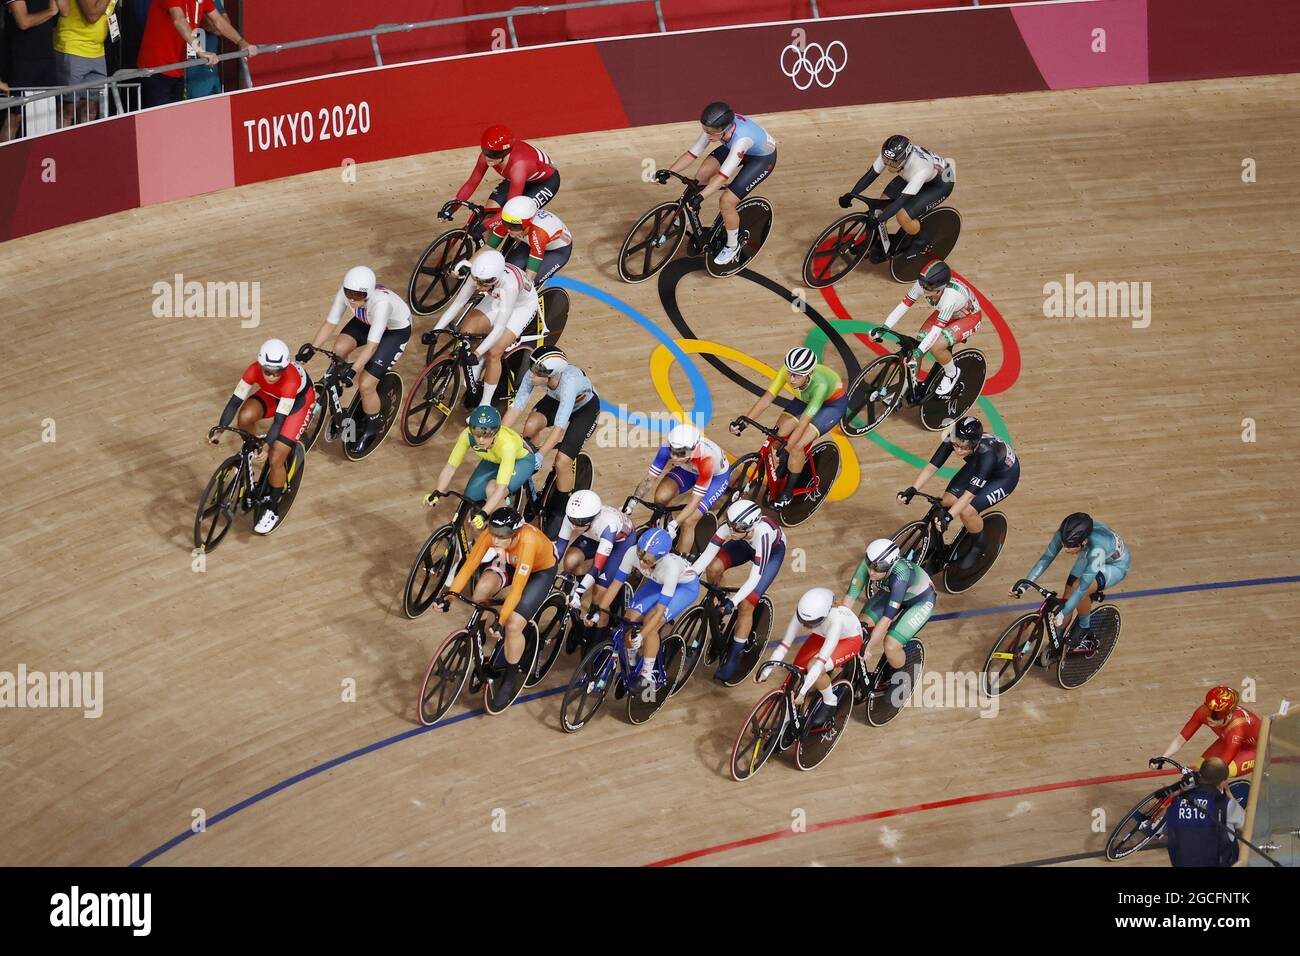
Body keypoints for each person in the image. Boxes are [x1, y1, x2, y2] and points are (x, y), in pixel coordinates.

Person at [437, 506, 557, 711]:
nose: (496, 540)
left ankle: (510, 677)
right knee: (481, 589)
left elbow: (517, 589)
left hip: (539, 571)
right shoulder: (491, 534)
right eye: (494, 534)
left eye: (502, 536)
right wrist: (449, 597)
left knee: (513, 625)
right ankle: (476, 635)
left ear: (516, 534)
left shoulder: (527, 541)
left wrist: (500, 621)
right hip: (510, 562)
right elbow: (470, 564)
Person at [298, 266, 411, 456]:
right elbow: (330, 323)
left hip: (394, 332)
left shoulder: (381, 304)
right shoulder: (347, 295)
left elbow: (372, 346)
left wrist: (355, 369)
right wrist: (313, 347)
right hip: (367, 321)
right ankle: (336, 383)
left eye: (357, 295)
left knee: (366, 383)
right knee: (340, 348)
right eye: (348, 293)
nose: (351, 299)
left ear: (367, 294)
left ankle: (375, 424)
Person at [207, 338, 314, 534]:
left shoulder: (290, 380)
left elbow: (280, 421)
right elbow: (234, 402)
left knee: (275, 457)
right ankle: (253, 448)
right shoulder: (252, 369)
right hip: (273, 396)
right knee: (245, 416)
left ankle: (272, 508)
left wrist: (267, 445)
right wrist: (220, 429)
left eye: (277, 372)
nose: (272, 376)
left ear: (285, 367)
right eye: (267, 371)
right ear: (260, 364)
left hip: (297, 403)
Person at [653, 101, 777, 266]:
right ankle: (690, 217)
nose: (708, 135)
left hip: (761, 159)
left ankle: (732, 245)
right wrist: (668, 172)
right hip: (731, 146)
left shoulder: (741, 139)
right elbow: (692, 153)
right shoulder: (715, 128)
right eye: (706, 130)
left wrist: (700, 197)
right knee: (701, 175)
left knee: (726, 201)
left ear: (726, 129)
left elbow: (722, 176)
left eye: (711, 133)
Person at [732, 346, 845, 510]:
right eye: (790, 372)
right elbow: (766, 399)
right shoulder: (788, 372)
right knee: (777, 434)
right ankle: (783, 467)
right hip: (805, 398)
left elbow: (805, 421)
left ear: (809, 374)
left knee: (796, 446)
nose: (791, 379)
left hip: (830, 406)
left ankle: (788, 492)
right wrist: (745, 422)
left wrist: (789, 448)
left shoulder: (820, 385)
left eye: (797, 375)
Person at [899, 415, 1018, 567]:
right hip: (977, 463)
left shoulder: (987, 455)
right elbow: (933, 466)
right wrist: (913, 488)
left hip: (1003, 477)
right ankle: (935, 545)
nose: (958, 450)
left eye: (964, 447)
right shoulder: (955, 438)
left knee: (967, 511)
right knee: (945, 502)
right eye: (956, 445)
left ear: (974, 444)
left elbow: (968, 496)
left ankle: (978, 548)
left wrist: (948, 518)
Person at [502, 345, 599, 532]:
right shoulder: (535, 375)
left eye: (537, 371)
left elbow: (559, 430)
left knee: (562, 461)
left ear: (552, 374)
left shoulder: (569, 383)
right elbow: (517, 406)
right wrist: (498, 434)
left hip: (584, 410)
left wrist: (541, 455)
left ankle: (560, 512)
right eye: (531, 366)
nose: (531, 374)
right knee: (530, 427)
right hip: (557, 402)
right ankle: (528, 472)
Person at [429, 248, 540, 409]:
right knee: (466, 332)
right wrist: (435, 331)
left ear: (494, 278)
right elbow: (457, 304)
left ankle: (485, 404)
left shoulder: (509, 286)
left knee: (494, 352)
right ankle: (477, 366)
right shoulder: (478, 275)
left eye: (483, 283)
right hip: (496, 297)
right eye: (477, 282)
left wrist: (477, 353)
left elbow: (499, 328)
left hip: (519, 306)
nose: (479, 287)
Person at [692, 498, 785, 682]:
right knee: (713, 569)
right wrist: (691, 573)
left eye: (738, 529)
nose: (732, 531)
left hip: (771, 554)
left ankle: (733, 657)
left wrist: (733, 603)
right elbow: (707, 556)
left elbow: (754, 578)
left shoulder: (763, 535)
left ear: (750, 527)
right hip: (744, 545)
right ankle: (720, 603)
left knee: (746, 604)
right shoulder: (734, 527)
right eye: (731, 526)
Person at [1015, 512, 1130, 653]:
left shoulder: (1097, 550)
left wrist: (1063, 612)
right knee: (1067, 598)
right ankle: (1055, 646)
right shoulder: (1065, 533)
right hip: (1087, 554)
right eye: (1064, 544)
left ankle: (1084, 628)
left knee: (1079, 589)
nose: (1065, 548)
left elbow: (1082, 588)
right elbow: (1045, 559)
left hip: (1115, 566)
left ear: (1084, 541)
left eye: (1070, 545)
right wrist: (1024, 586)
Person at [871, 259, 980, 398]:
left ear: (940, 288)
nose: (922, 290)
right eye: (922, 285)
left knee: (936, 347)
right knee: (919, 342)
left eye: (927, 289)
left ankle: (952, 374)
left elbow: (935, 331)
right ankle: (906, 386)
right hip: (947, 313)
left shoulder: (950, 296)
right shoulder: (923, 284)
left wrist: (918, 353)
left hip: (968, 317)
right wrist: (884, 327)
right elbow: (904, 305)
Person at [758, 587, 860, 732]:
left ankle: (830, 700)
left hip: (848, 640)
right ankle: (785, 724)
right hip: (822, 634)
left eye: (810, 623)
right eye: (803, 621)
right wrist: (766, 671)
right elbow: (785, 645)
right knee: (795, 674)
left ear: (823, 616)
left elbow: (819, 663)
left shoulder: (836, 621)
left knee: (814, 668)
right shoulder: (804, 613)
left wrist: (804, 692)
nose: (805, 626)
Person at [840, 133, 953, 262]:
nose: (888, 164)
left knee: (903, 216)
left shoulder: (920, 169)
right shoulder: (892, 154)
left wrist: (879, 220)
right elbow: (871, 174)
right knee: (881, 205)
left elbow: (901, 202)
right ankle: (873, 241)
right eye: (887, 161)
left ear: (905, 158)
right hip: (911, 175)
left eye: (893, 163)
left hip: (940, 184)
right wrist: (851, 194)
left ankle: (920, 241)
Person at [425, 405, 537, 531]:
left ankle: (506, 530)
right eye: (477, 434)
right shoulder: (466, 436)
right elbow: (450, 467)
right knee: (470, 496)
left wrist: (484, 514)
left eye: (487, 434)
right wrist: (437, 491)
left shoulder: (507, 446)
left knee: (492, 489)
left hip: (520, 461)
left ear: (496, 432)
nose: (481, 440)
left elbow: (500, 489)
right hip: (494, 458)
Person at [844, 539, 933, 696]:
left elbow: (886, 619)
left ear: (890, 565)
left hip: (920, 600)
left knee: (891, 646)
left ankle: (900, 676)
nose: (871, 572)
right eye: (870, 564)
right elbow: (849, 600)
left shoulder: (900, 577)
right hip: (890, 593)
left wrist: (868, 647)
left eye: (878, 569)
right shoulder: (869, 564)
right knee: (859, 628)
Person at [619, 528, 700, 695]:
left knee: (651, 623)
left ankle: (647, 676)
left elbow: (658, 613)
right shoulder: (637, 554)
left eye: (647, 559)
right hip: (658, 581)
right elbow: (615, 585)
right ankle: (632, 664)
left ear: (660, 558)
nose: (641, 561)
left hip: (683, 587)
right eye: (641, 554)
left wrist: (641, 636)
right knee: (630, 619)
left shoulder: (669, 567)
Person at [629, 421, 729, 554]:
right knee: (661, 496)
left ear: (693, 449)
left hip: (715, 477)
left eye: (680, 453)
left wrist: (675, 524)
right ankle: (655, 523)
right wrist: (632, 504)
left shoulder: (706, 460)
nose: (674, 457)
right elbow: (649, 479)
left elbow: (694, 501)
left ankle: (681, 562)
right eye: (673, 451)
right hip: (688, 468)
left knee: (688, 521)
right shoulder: (667, 448)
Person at [135, 0, 255, 109]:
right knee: (159, 122)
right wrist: (200, 50)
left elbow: (219, 21)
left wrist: (241, 42)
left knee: (174, 122)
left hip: (177, 69)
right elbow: (179, 20)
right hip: (155, 69)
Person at [448, 124, 560, 234]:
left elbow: (509, 209)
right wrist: (452, 209)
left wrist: (484, 227)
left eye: (494, 154)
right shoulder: (488, 156)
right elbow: (472, 182)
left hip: (545, 183)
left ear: (506, 152)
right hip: (519, 179)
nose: (489, 158)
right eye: (486, 152)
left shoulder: (518, 166)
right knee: (489, 212)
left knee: (514, 219)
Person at [553, 490, 637, 627]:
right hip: (594, 536)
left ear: (593, 518)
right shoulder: (574, 517)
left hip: (620, 543)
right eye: (572, 521)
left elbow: (597, 568)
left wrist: (579, 592)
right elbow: (560, 548)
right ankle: (581, 580)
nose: (574, 526)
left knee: (598, 595)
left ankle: (597, 637)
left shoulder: (607, 526)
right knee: (569, 561)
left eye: (579, 522)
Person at [1157, 686, 1260, 779]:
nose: (1209, 718)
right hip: (1227, 741)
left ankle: (1226, 800)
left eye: (1215, 717)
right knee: (1200, 768)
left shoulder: (1237, 729)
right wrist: (1163, 757)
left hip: (1253, 751)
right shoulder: (1202, 713)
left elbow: (1221, 765)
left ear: (1228, 716)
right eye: (1208, 711)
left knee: (1214, 774)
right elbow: (1181, 739)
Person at [1164, 757, 1245, 867]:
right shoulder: (1225, 804)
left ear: (1200, 776)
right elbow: (1248, 829)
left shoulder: (1177, 802)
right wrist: (1229, 793)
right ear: (1223, 783)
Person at [4, 0, 62, 139]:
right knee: (16, 116)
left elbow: (65, 11)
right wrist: (51, 12)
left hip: (46, 57)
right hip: (22, 60)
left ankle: (44, 157)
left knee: (47, 113)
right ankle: (5, 159)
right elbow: (23, 22)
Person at [52, 0, 116, 125]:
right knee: (68, 110)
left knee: (91, 109)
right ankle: (59, 144)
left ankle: (85, 144)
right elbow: (92, 15)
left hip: (97, 50)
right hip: (72, 47)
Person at [486, 195, 572, 287]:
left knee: (526, 286)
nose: (509, 229)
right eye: (507, 224)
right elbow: (487, 248)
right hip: (531, 243)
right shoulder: (510, 221)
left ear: (526, 224)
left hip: (556, 251)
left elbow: (529, 278)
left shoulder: (538, 234)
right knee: (506, 273)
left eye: (515, 227)